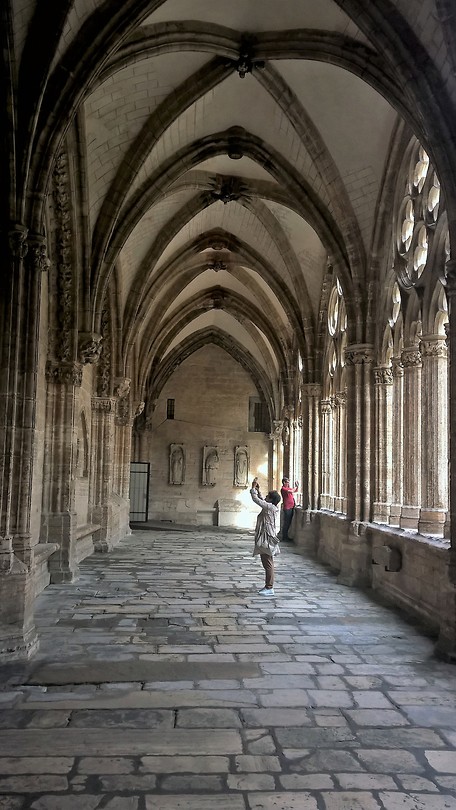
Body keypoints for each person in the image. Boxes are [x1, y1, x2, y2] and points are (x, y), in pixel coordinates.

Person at [250, 483, 281, 596]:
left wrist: (253, 489)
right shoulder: (271, 507)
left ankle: (269, 587)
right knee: (268, 562)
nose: (266, 497)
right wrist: (259, 491)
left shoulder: (269, 508)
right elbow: (262, 500)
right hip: (267, 537)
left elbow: (257, 500)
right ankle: (269, 586)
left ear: (271, 500)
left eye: (268, 496)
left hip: (267, 538)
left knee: (267, 563)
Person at [280, 477, 299, 542]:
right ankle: (284, 537)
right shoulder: (283, 489)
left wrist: (297, 487)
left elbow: (296, 491)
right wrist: (296, 486)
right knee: (286, 522)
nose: (288, 483)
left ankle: (286, 536)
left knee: (289, 522)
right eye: (287, 482)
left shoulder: (288, 488)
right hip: (287, 507)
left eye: (288, 482)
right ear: (284, 482)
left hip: (291, 506)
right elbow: (292, 491)